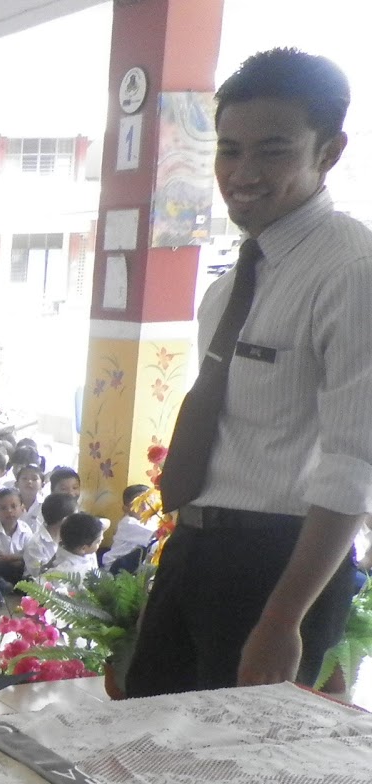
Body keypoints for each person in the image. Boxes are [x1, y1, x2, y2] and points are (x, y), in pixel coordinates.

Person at [128, 49, 371, 696]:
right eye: (229, 150)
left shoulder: (351, 271)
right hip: (196, 549)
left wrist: (282, 617)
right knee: (144, 747)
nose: (242, 173)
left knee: (228, 780)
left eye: (272, 151)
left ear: (329, 152)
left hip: (277, 564)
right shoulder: (234, 281)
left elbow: (353, 461)